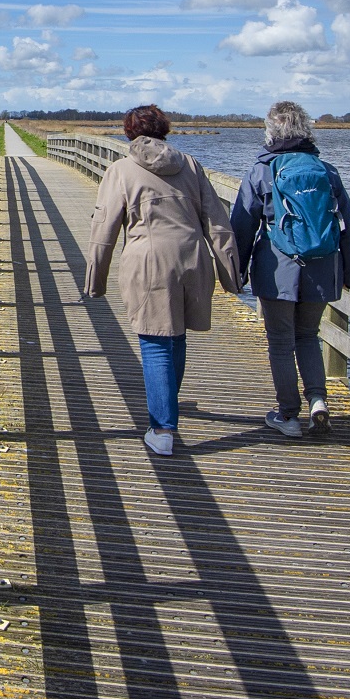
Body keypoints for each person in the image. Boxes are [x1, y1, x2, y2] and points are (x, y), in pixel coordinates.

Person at [84, 104, 240, 456]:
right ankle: (168, 405)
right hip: (192, 259)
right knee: (177, 335)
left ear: (129, 132)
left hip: (150, 263)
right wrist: (231, 274)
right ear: (164, 130)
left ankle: (162, 429)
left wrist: (96, 278)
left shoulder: (121, 169)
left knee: (155, 342)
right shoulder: (190, 165)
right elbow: (216, 220)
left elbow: (104, 227)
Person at [230, 101, 350, 439]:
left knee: (280, 341)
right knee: (308, 336)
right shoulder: (327, 172)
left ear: (270, 131)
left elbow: (242, 225)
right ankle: (318, 400)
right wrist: (349, 274)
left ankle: (288, 416)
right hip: (323, 267)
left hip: (278, 270)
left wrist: (236, 270)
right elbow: (349, 226)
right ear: (307, 129)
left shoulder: (262, 171)